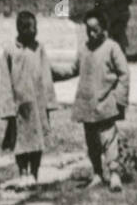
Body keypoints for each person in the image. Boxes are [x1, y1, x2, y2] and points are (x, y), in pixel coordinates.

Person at [55, 11, 130, 192]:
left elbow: (124, 74)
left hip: (106, 103)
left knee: (108, 138)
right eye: (88, 30)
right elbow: (73, 69)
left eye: (95, 30)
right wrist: (52, 71)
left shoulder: (112, 48)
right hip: (87, 104)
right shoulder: (84, 49)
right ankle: (97, 173)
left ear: (104, 29)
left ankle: (114, 173)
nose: (91, 34)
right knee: (92, 141)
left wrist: (118, 98)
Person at [0, 10, 59, 188]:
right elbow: (5, 81)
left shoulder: (39, 49)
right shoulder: (10, 50)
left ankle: (34, 173)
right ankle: (23, 172)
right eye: (28, 28)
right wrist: (7, 107)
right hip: (19, 107)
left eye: (35, 28)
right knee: (21, 143)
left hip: (37, 105)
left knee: (37, 142)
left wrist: (49, 102)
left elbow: (46, 76)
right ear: (20, 29)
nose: (33, 31)